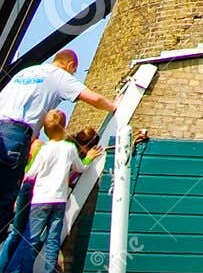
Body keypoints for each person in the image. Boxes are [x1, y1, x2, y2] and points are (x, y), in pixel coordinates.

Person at [0, 50, 116, 240]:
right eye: (74, 71)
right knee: (4, 198)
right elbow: (93, 98)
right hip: (16, 134)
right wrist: (114, 105)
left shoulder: (25, 72)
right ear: (70, 65)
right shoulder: (59, 76)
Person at [0, 122, 101, 273]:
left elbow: (34, 171)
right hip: (40, 193)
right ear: (86, 146)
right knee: (27, 235)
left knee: (29, 236)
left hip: (41, 193)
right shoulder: (69, 150)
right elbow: (79, 168)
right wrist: (88, 158)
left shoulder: (58, 147)